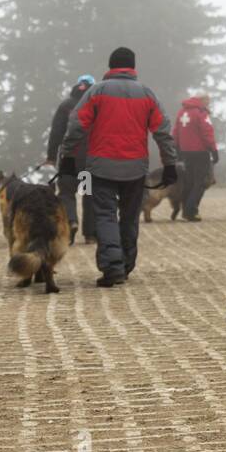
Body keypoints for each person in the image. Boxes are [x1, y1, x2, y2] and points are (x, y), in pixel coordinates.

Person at [60, 47, 178, 287]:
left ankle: (112, 266)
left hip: (100, 167)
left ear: (110, 66)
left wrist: (68, 156)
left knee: (104, 215)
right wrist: (170, 164)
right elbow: (163, 131)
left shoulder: (97, 91)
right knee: (130, 216)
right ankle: (125, 265)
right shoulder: (147, 94)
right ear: (133, 67)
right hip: (135, 168)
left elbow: (76, 124)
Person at [46, 74, 96, 244]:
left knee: (67, 193)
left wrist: (51, 156)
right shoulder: (96, 105)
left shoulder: (66, 105)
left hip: (68, 157)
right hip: (88, 159)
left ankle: (71, 222)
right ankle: (90, 234)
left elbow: (56, 132)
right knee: (89, 194)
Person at [173, 93, 219, 222]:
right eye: (207, 101)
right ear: (201, 100)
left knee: (189, 182)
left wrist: (177, 148)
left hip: (185, 152)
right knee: (200, 182)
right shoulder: (201, 113)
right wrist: (214, 150)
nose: (208, 104)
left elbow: (176, 131)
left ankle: (185, 211)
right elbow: (207, 133)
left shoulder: (182, 112)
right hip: (200, 152)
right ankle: (191, 212)